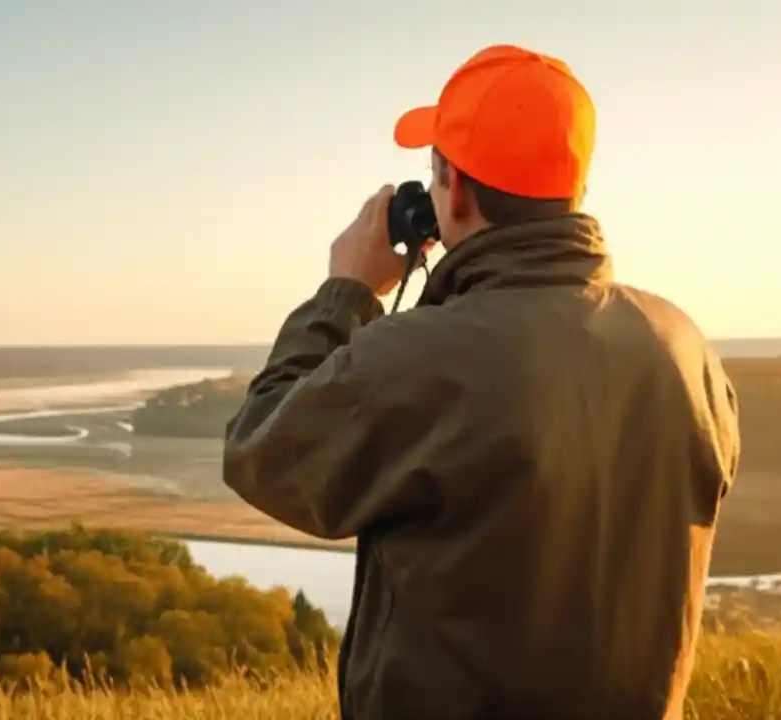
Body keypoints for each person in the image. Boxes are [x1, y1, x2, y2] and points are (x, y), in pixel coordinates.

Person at [222, 44, 741, 720]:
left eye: (436, 175)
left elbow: (261, 451)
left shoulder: (420, 357)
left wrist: (344, 292)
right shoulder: (681, 344)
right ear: (571, 187)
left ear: (454, 190)